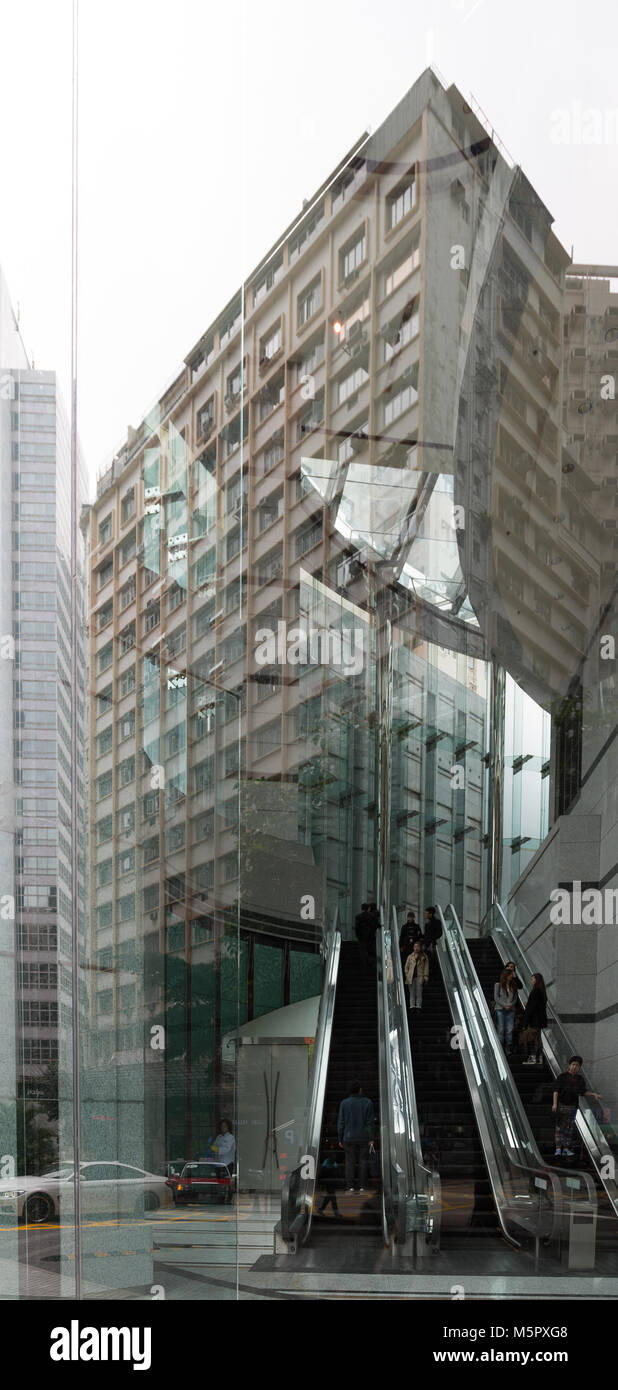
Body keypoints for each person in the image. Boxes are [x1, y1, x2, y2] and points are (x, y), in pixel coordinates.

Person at [553, 1056, 602, 1158]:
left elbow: (583, 1091)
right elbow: (556, 1091)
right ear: (569, 1065)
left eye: (577, 1065)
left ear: (579, 1067)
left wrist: (594, 1094)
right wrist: (555, 1104)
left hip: (573, 1107)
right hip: (561, 1105)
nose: (575, 1067)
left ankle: (566, 1149)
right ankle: (558, 1149)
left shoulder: (580, 1079)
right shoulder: (562, 1076)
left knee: (569, 1127)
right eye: (573, 1064)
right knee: (559, 1127)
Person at [337, 1080, 375, 1192]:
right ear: (360, 1090)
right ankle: (363, 1185)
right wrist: (371, 1137)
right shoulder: (368, 1102)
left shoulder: (344, 1103)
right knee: (363, 1161)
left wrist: (340, 1137)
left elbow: (341, 1122)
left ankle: (350, 1186)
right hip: (363, 1136)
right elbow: (370, 1123)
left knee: (349, 1162)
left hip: (348, 1137)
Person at [519, 973, 548, 1065]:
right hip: (540, 1019)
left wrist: (524, 1021)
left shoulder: (535, 991)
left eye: (533, 979)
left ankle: (533, 1059)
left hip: (535, 1019)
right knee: (537, 1039)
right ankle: (539, 1059)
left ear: (536, 980)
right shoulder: (542, 991)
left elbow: (531, 1008)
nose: (531, 981)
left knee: (534, 1040)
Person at [493, 967, 518, 1054]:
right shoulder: (498, 985)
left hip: (511, 1009)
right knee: (500, 1028)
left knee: (509, 1029)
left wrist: (509, 1005)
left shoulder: (514, 985)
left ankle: (508, 1046)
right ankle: (500, 1047)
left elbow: (515, 998)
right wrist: (504, 1005)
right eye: (510, 974)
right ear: (506, 975)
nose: (512, 976)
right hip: (500, 1009)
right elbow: (496, 998)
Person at [405, 939, 429, 1010]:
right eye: (415, 947)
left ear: (420, 947)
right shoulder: (410, 956)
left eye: (417, 947)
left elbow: (426, 967)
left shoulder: (424, 956)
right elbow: (406, 967)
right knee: (412, 992)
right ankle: (412, 1006)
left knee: (419, 992)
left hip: (420, 976)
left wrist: (426, 975)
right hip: (411, 977)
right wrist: (407, 974)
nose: (416, 948)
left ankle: (418, 1006)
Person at [354, 903, 373, 968]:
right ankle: (369, 962)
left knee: (362, 950)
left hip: (361, 936)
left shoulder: (358, 917)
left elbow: (357, 928)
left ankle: (363, 964)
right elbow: (373, 926)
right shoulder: (371, 916)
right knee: (368, 949)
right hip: (369, 936)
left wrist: (358, 936)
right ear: (368, 909)